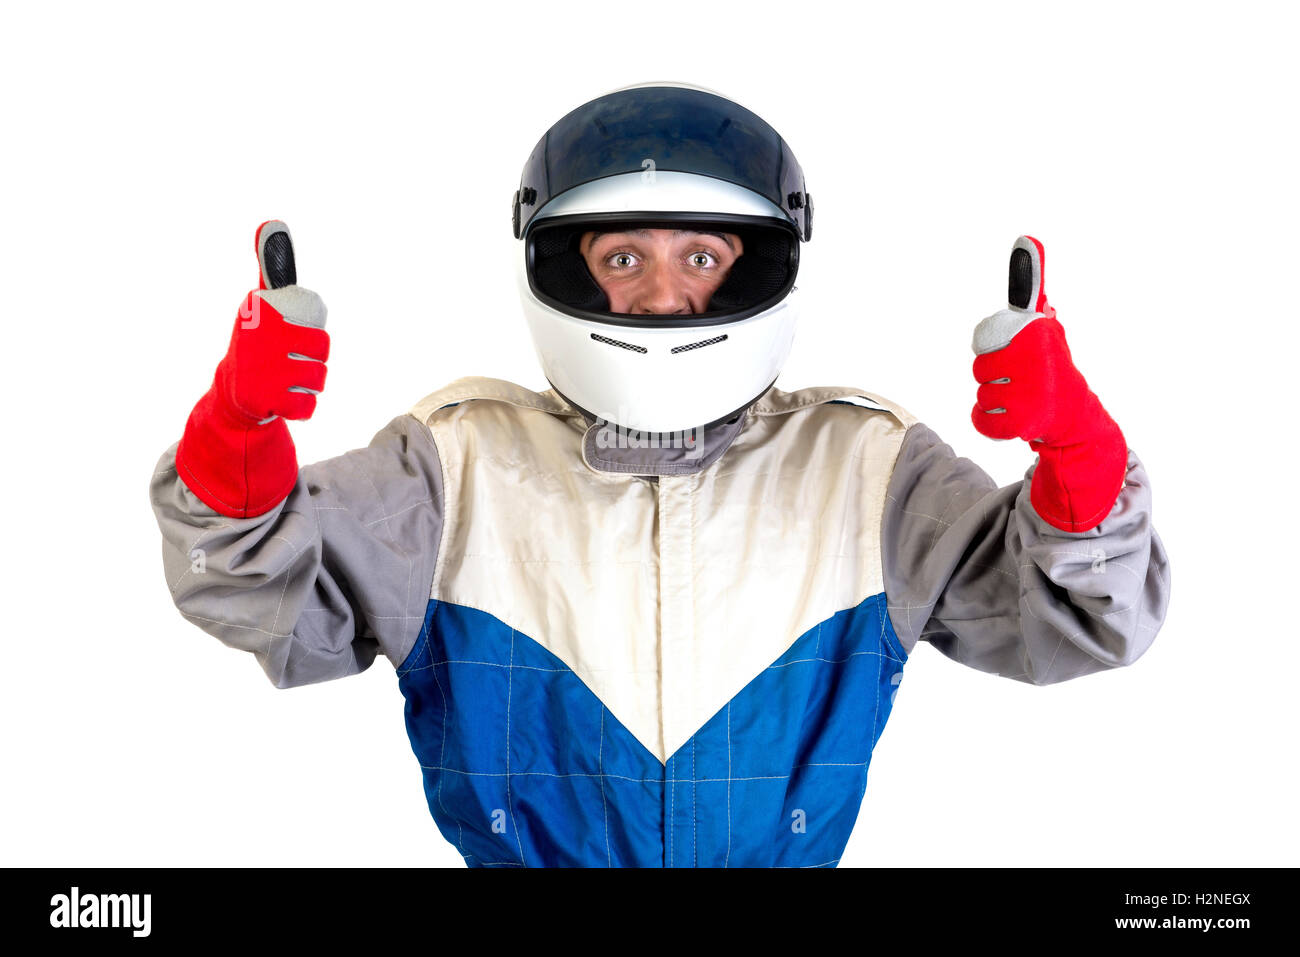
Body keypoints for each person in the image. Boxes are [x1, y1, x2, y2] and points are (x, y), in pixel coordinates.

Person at [149, 81, 1171, 867]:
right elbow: (260, 599)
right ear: (562, 265)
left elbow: (1078, 623)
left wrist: (1076, 444)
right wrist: (237, 424)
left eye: (703, 256)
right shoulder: (455, 457)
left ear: (761, 264)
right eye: (623, 258)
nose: (663, 298)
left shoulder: (866, 465)